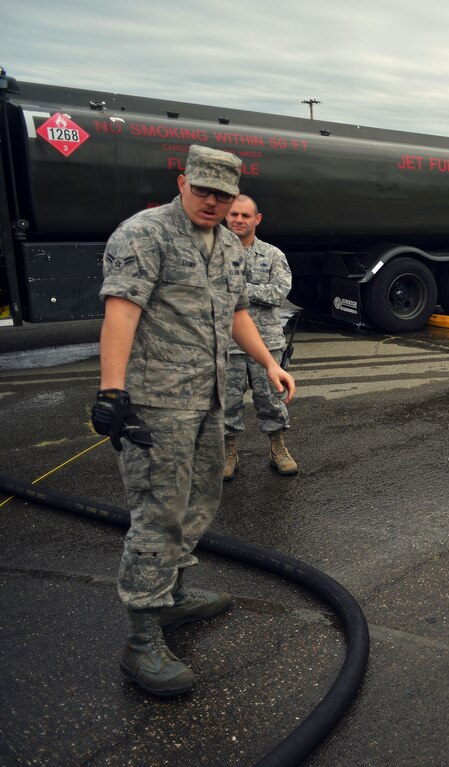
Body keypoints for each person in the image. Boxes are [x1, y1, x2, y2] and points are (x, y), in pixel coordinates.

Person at [91, 145, 296, 697]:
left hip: (206, 399)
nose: (212, 202)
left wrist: (270, 363)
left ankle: (175, 598)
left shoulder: (228, 244)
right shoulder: (143, 234)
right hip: (155, 406)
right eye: (203, 190)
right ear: (181, 182)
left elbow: (236, 315)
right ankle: (141, 642)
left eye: (223, 195)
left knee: (200, 500)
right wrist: (112, 391)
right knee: (157, 513)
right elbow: (121, 311)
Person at [223, 195, 297, 480]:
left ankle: (278, 449)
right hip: (227, 345)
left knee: (271, 401)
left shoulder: (273, 255)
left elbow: (279, 292)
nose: (239, 220)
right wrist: (256, 291)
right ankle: (229, 452)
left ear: (257, 219)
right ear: (226, 217)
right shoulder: (214, 254)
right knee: (226, 403)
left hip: (267, 344)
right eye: (233, 215)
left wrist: (239, 289)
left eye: (245, 215)